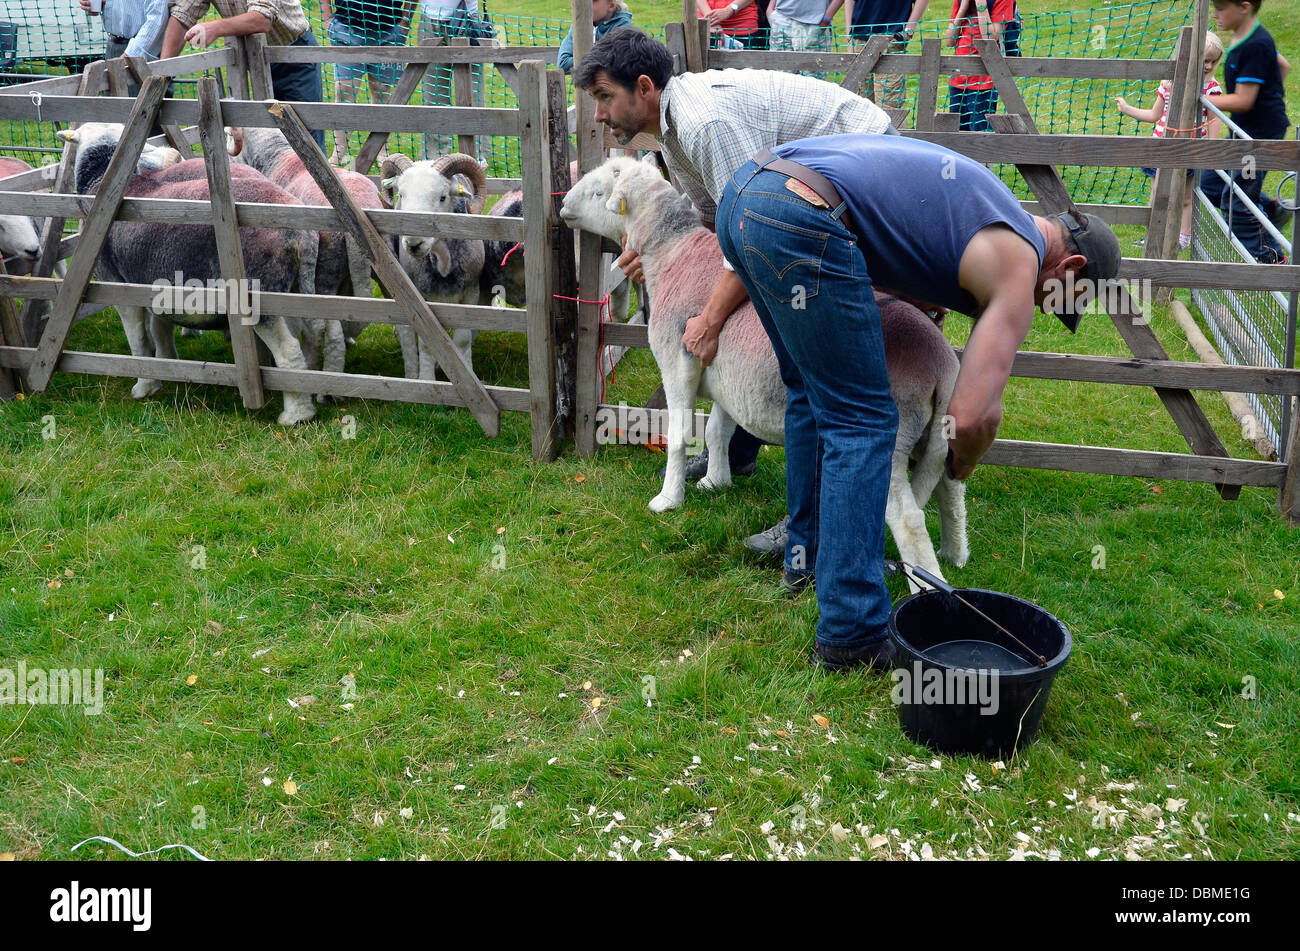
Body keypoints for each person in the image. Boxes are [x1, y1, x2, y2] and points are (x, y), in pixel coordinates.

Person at [714, 134, 1119, 670]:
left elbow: (896, 235)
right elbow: (972, 415)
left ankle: (807, 554)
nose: (1045, 310)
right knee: (860, 421)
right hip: (799, 214)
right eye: (1058, 303)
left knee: (814, 392)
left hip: (748, 195)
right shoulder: (1020, 263)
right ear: (1069, 270)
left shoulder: (990, 207)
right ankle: (852, 634)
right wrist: (964, 461)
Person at [574, 28, 896, 584]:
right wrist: (650, 249)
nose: (599, 115)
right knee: (791, 351)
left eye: (604, 97)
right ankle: (756, 470)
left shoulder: (706, 126)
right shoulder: (671, 134)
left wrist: (710, 318)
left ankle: (811, 538)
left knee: (815, 371)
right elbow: (716, 220)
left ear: (644, 88)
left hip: (865, 175)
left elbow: (752, 232)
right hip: (820, 189)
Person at [162, 0, 327, 150]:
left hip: (295, 60)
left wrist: (214, 28)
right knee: (274, 132)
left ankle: (317, 182)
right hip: (257, 64)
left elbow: (262, 18)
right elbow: (182, 15)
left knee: (304, 136)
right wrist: (163, 71)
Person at [1199, 0, 1291, 264]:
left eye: (1221, 7)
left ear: (1244, 7)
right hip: (1247, 131)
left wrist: (1201, 98)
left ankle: (1272, 260)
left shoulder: (1254, 45)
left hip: (1258, 138)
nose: (1216, 13)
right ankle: (1271, 210)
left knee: (1239, 203)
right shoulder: (1245, 36)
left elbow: (1243, 100)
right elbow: (1283, 66)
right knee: (1210, 184)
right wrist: (1270, 94)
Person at [1115, 31, 1223, 252]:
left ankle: (1184, 237)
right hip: (1161, 148)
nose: (1208, 66)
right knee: (1157, 197)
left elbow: (1214, 119)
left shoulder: (1212, 89)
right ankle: (1152, 235)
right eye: (1204, 61)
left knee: (1185, 197)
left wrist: (1212, 146)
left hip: (1190, 150)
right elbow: (1154, 115)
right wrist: (1127, 109)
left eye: (1213, 61)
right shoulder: (1168, 85)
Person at [322, 0, 417, 168]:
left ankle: (381, 151)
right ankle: (339, 153)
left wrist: (405, 22)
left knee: (382, 90)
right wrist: (326, 18)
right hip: (346, 28)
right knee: (344, 90)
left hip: (389, 31)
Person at [419, 0, 495, 161]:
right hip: (428, 18)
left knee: (472, 94)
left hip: (467, 18)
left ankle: (476, 155)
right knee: (433, 95)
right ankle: (435, 156)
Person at [821, 0, 930, 108]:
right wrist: (849, 30)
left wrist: (908, 30)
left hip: (891, 39)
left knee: (889, 107)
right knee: (859, 105)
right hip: (858, 39)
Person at [944, 0, 1017, 131]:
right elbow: (949, 40)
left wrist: (981, 5)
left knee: (979, 132)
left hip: (984, 80)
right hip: (958, 78)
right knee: (955, 132)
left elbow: (989, 38)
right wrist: (963, 8)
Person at [79, 0, 169, 62]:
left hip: (142, 54)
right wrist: (102, 5)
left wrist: (131, 55)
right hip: (113, 47)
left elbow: (157, 19)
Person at [560, 1, 634, 74]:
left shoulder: (622, 28)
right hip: (586, 84)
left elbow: (614, 63)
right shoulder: (578, 24)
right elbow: (563, 63)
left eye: (593, 1)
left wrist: (581, 60)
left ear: (611, 6)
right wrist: (598, 60)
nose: (586, 4)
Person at [767, 0, 836, 78]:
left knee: (814, 85)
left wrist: (826, 20)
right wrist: (771, 11)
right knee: (780, 81)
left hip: (814, 24)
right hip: (781, 20)